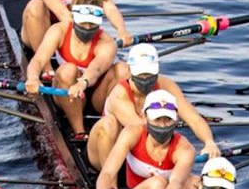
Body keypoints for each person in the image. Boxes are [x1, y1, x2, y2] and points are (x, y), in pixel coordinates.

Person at [85, 43, 220, 169]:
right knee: (110, 123)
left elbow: (193, 119)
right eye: (141, 74)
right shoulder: (119, 95)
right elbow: (143, 131)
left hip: (138, 153)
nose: (145, 79)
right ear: (129, 69)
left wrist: (209, 142)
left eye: (149, 74)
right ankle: (111, 186)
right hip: (106, 153)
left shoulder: (166, 85)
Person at [96, 89, 196, 189]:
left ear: (176, 119)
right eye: (157, 120)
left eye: (167, 120)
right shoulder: (132, 133)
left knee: (197, 184)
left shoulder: (185, 149)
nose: (162, 126)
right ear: (144, 117)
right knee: (157, 183)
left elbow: (177, 182)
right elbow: (108, 172)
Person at [25, 0, 118, 140]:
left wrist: (83, 82)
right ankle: (79, 132)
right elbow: (38, 60)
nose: (87, 28)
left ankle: (110, 128)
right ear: (74, 17)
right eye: (83, 23)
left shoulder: (107, 43)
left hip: (94, 97)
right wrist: (33, 78)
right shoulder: (59, 30)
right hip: (64, 93)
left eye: (92, 24)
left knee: (122, 70)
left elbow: (96, 69)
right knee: (68, 70)